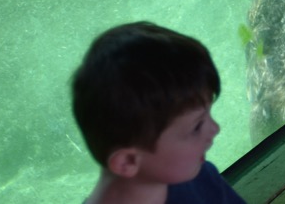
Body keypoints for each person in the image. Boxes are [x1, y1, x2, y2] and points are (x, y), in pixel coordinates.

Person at [71, 22, 248, 204]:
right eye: (197, 126)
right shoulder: (191, 177)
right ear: (128, 162)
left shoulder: (202, 179)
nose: (215, 129)